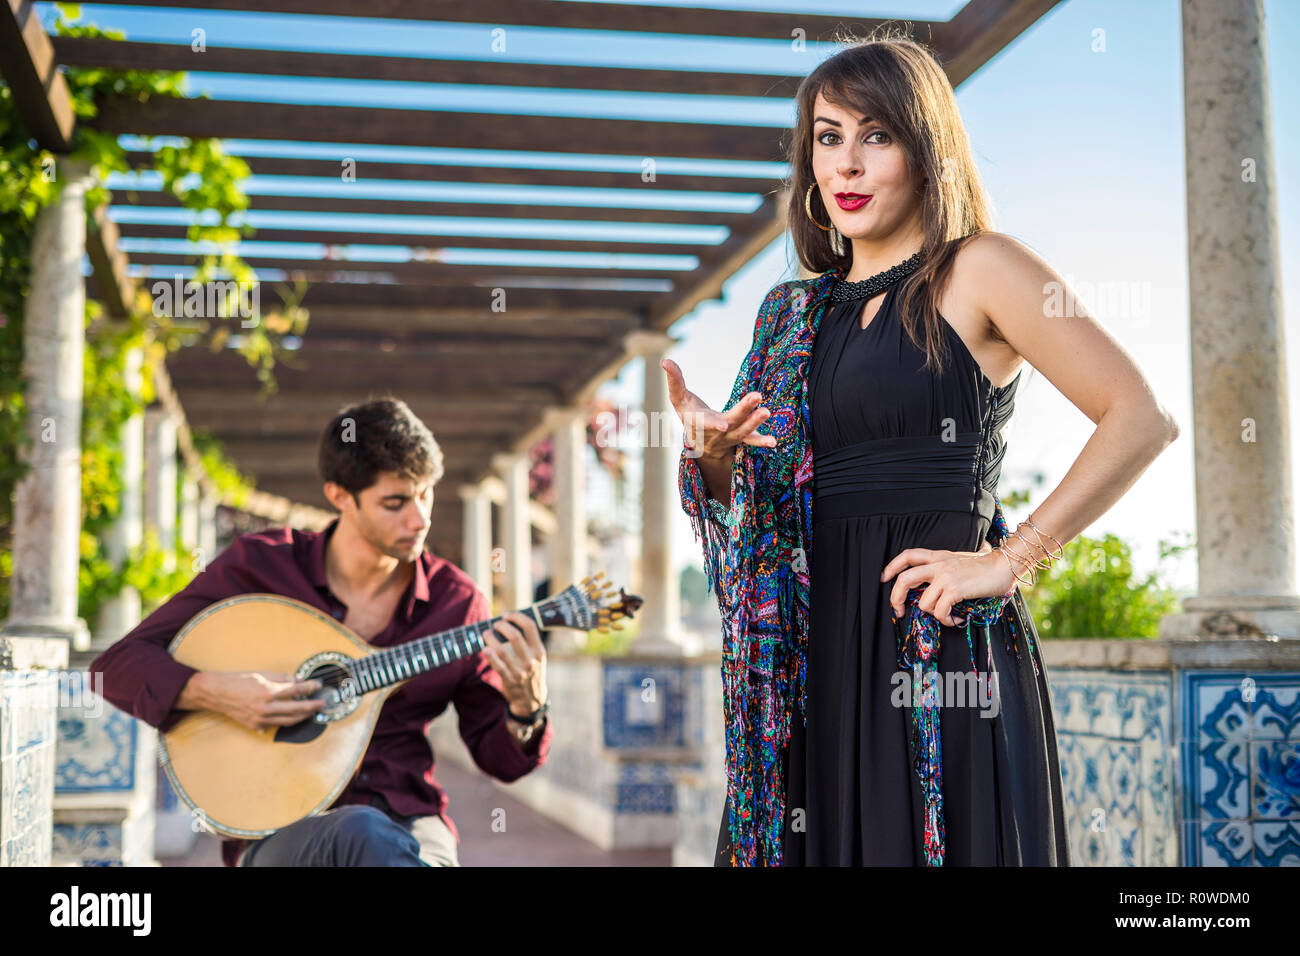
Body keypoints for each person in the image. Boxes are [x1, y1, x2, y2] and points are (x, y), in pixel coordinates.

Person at [664, 34, 1179, 866]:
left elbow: (1140, 418)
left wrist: (1011, 561)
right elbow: (756, 510)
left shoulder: (980, 269)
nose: (849, 166)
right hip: (807, 670)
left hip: (933, 650)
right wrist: (714, 454)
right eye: (828, 138)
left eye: (877, 135)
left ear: (925, 148)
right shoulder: (790, 314)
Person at [91, 396, 552, 866]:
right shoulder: (261, 568)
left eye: (426, 494)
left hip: (409, 821)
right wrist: (219, 693)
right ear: (339, 496)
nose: (420, 519)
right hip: (278, 830)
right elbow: (114, 668)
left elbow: (500, 761)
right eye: (395, 502)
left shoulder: (456, 603)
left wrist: (524, 709)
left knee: (380, 840)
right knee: (362, 831)